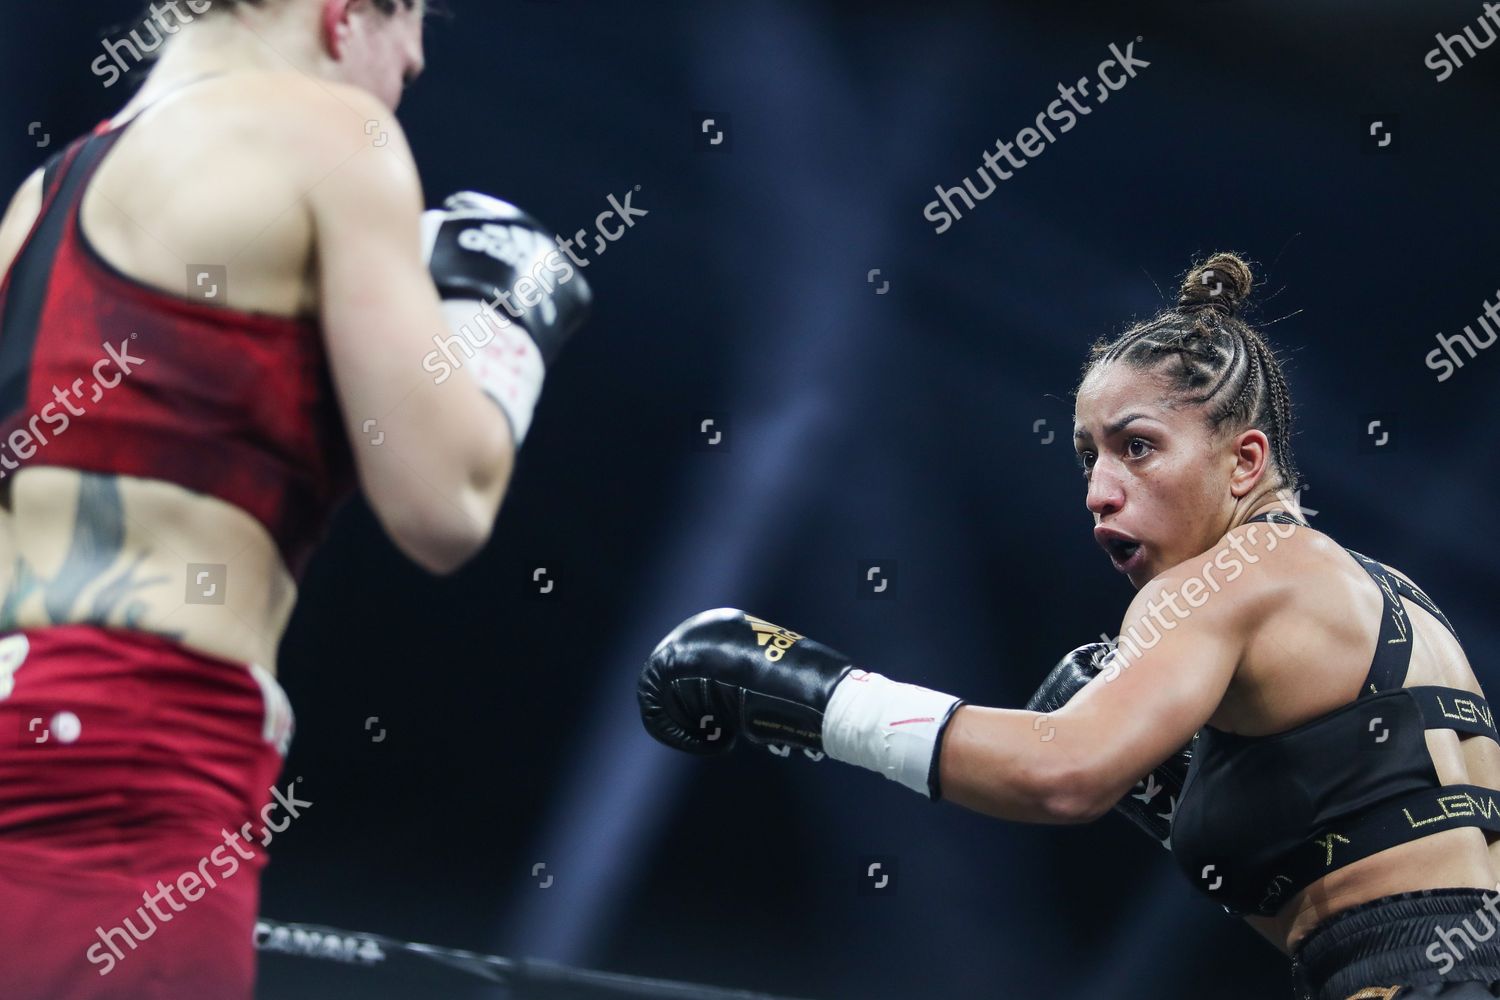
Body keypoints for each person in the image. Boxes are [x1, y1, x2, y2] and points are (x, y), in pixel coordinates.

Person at [640, 252, 1500, 1000]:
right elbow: (1384, 901)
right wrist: (1185, 804)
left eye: (1137, 446)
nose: (1098, 490)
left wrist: (809, 692)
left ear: (1245, 462)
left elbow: (1062, 774)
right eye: (1088, 457)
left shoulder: (1214, 585)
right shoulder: (1400, 604)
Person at [0, 1, 589, 996]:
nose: (410, 66)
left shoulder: (36, 199)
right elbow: (444, 501)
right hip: (139, 765)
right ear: (345, 14)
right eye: (413, 28)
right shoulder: (333, 135)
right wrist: (503, 324)